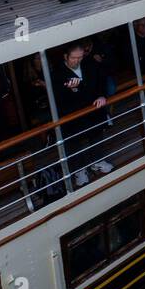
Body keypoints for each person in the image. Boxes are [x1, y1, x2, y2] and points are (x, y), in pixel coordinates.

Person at [51, 42, 117, 186]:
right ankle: (79, 171)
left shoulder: (89, 64)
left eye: (80, 57)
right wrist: (74, 89)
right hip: (72, 115)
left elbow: (101, 81)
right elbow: (58, 99)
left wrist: (102, 95)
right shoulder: (57, 74)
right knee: (74, 142)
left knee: (97, 133)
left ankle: (97, 161)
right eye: (74, 58)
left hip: (92, 110)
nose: (77, 61)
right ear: (65, 56)